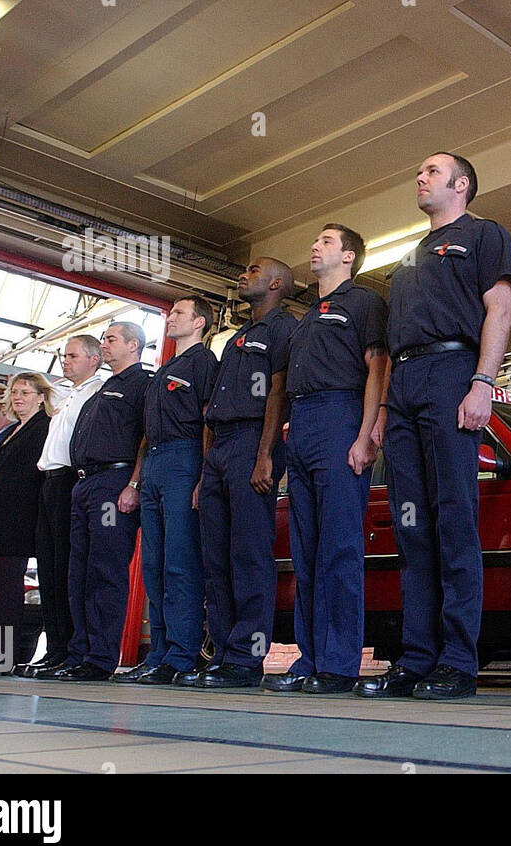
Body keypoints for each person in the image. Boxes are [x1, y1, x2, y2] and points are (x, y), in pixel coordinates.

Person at [355, 152, 511, 701]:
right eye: (417, 170)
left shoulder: (483, 235)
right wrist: (379, 413)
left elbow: (499, 309)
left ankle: (456, 661)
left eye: (431, 171)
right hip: (404, 383)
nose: (419, 177)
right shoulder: (408, 258)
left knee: (453, 522)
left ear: (461, 184)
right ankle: (417, 657)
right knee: (412, 529)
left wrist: (482, 383)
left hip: (453, 371)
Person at [260, 226, 387, 695]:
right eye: (315, 241)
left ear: (349, 256)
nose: (315, 247)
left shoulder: (365, 302)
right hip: (305, 423)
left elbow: (379, 368)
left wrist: (366, 434)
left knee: (340, 549)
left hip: (341, 415)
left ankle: (338, 664)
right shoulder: (306, 316)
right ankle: (309, 659)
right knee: (306, 551)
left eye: (327, 242)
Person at [189, 258, 295, 689]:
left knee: (248, 556)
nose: (243, 275)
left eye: (253, 271)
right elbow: (209, 410)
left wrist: (266, 454)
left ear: (275, 283)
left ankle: (247, 659)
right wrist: (203, 471)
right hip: (219, 450)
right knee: (215, 559)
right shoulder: (236, 339)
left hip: (254, 442)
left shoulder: (283, 329)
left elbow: (278, 391)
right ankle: (222, 654)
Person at [36, 322, 152, 682]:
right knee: (79, 573)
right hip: (84, 484)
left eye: (111, 339)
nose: (104, 343)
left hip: (113, 482)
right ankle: (78, 653)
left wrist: (134, 482)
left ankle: (101, 658)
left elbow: (146, 438)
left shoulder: (141, 385)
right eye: (102, 338)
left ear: (133, 345)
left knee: (105, 572)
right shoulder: (103, 388)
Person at [113, 298, 217, 685]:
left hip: (185, 457)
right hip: (155, 461)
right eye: (169, 313)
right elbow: (145, 434)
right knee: (153, 564)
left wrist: (204, 474)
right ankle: (157, 653)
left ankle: (181, 655)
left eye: (178, 314)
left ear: (199, 322)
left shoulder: (204, 363)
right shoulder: (162, 371)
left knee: (180, 562)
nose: (170, 317)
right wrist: (136, 481)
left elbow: (209, 419)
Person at [16, 336, 104, 678]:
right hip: (48, 479)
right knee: (49, 566)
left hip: (70, 477)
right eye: (63, 355)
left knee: (67, 565)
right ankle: (54, 646)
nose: (65, 361)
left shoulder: (96, 393)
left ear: (94, 360)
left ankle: (70, 645)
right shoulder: (65, 395)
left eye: (72, 355)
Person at [0, 374, 53, 675]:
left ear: (41, 396)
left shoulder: (44, 426)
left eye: (26, 392)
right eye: (15, 392)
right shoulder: (14, 430)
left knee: (6, 589)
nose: (18, 398)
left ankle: (3, 657)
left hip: (18, 516)